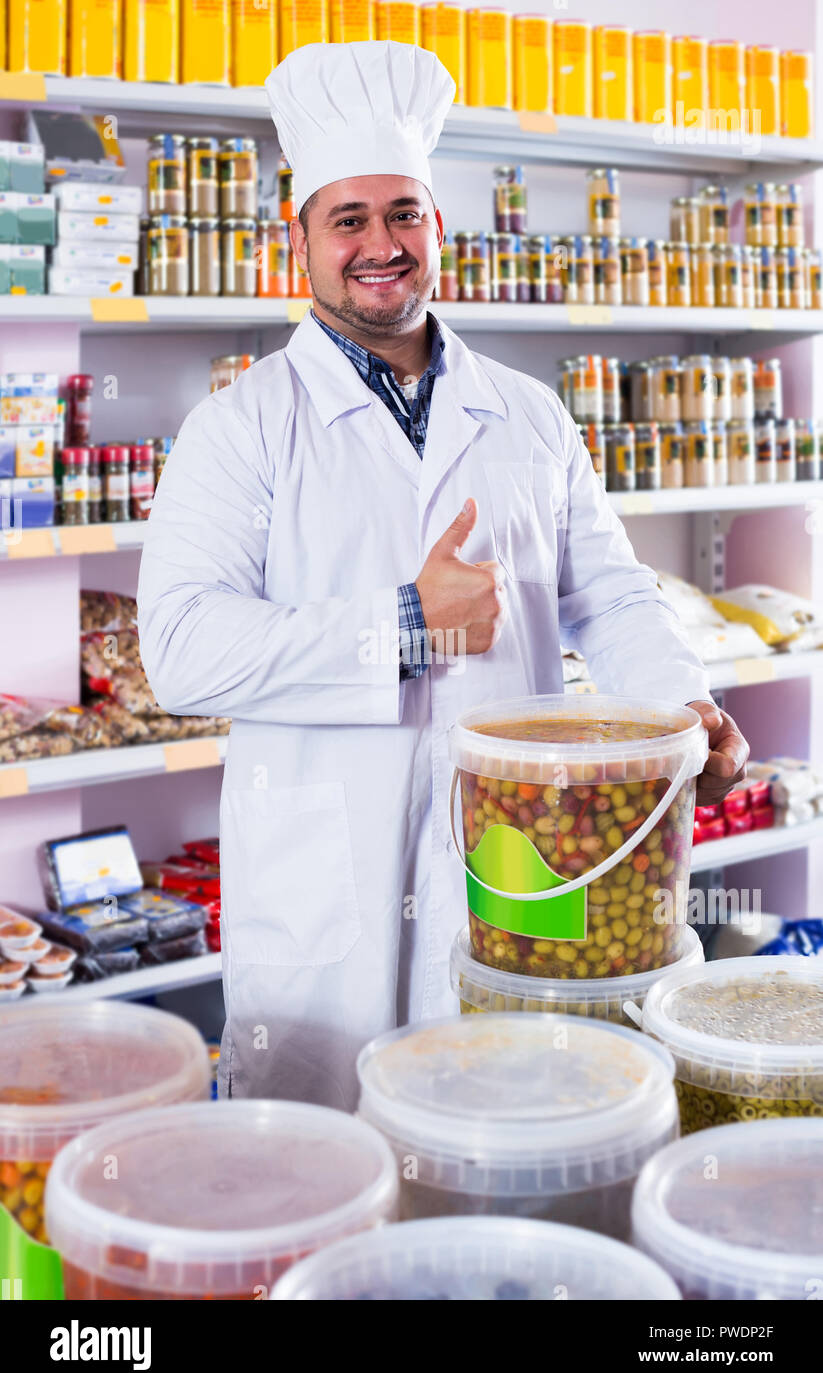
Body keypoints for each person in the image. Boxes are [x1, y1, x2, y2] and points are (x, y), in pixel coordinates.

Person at [137, 40, 749, 1109]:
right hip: (325, 892)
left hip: (513, 863)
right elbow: (181, 651)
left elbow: (605, 593)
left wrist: (682, 708)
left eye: (404, 213)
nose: (381, 244)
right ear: (303, 241)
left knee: (509, 1140)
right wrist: (405, 624)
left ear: (437, 226)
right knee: (327, 1179)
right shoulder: (240, 429)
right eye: (350, 219)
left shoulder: (527, 411)